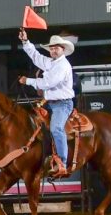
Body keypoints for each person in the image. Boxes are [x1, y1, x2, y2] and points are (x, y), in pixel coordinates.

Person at [18, 28, 76, 176]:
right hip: (50, 103)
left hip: (63, 104)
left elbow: (48, 83)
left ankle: (62, 162)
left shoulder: (63, 65)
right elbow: (35, 56)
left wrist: (28, 81)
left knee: (56, 128)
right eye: (51, 48)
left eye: (56, 48)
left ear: (63, 50)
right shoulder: (51, 62)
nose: (53, 51)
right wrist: (25, 41)